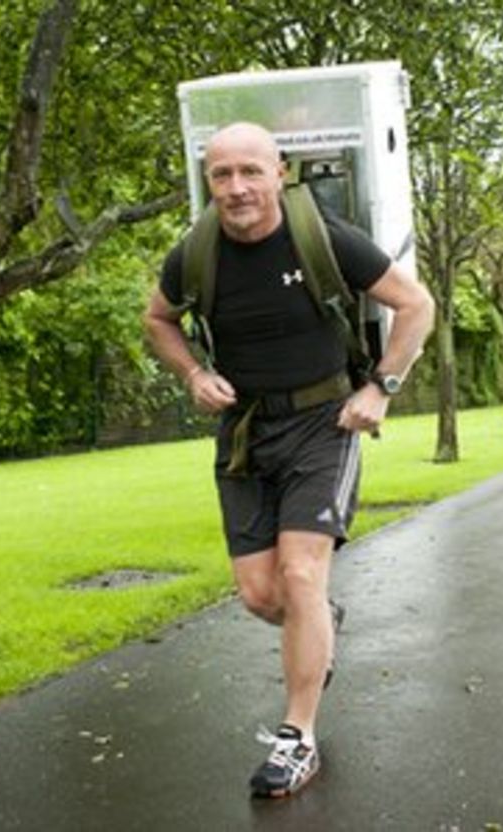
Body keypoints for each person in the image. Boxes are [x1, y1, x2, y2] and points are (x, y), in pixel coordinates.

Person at [144, 121, 434, 799]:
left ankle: (296, 737)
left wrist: (381, 388)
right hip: (246, 433)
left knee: (301, 574)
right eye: (222, 175)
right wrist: (190, 374)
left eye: (251, 171)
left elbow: (416, 304)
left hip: (320, 423)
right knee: (261, 595)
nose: (238, 188)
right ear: (208, 181)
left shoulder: (325, 238)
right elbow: (157, 319)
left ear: (280, 171)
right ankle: (319, 627)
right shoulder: (195, 253)